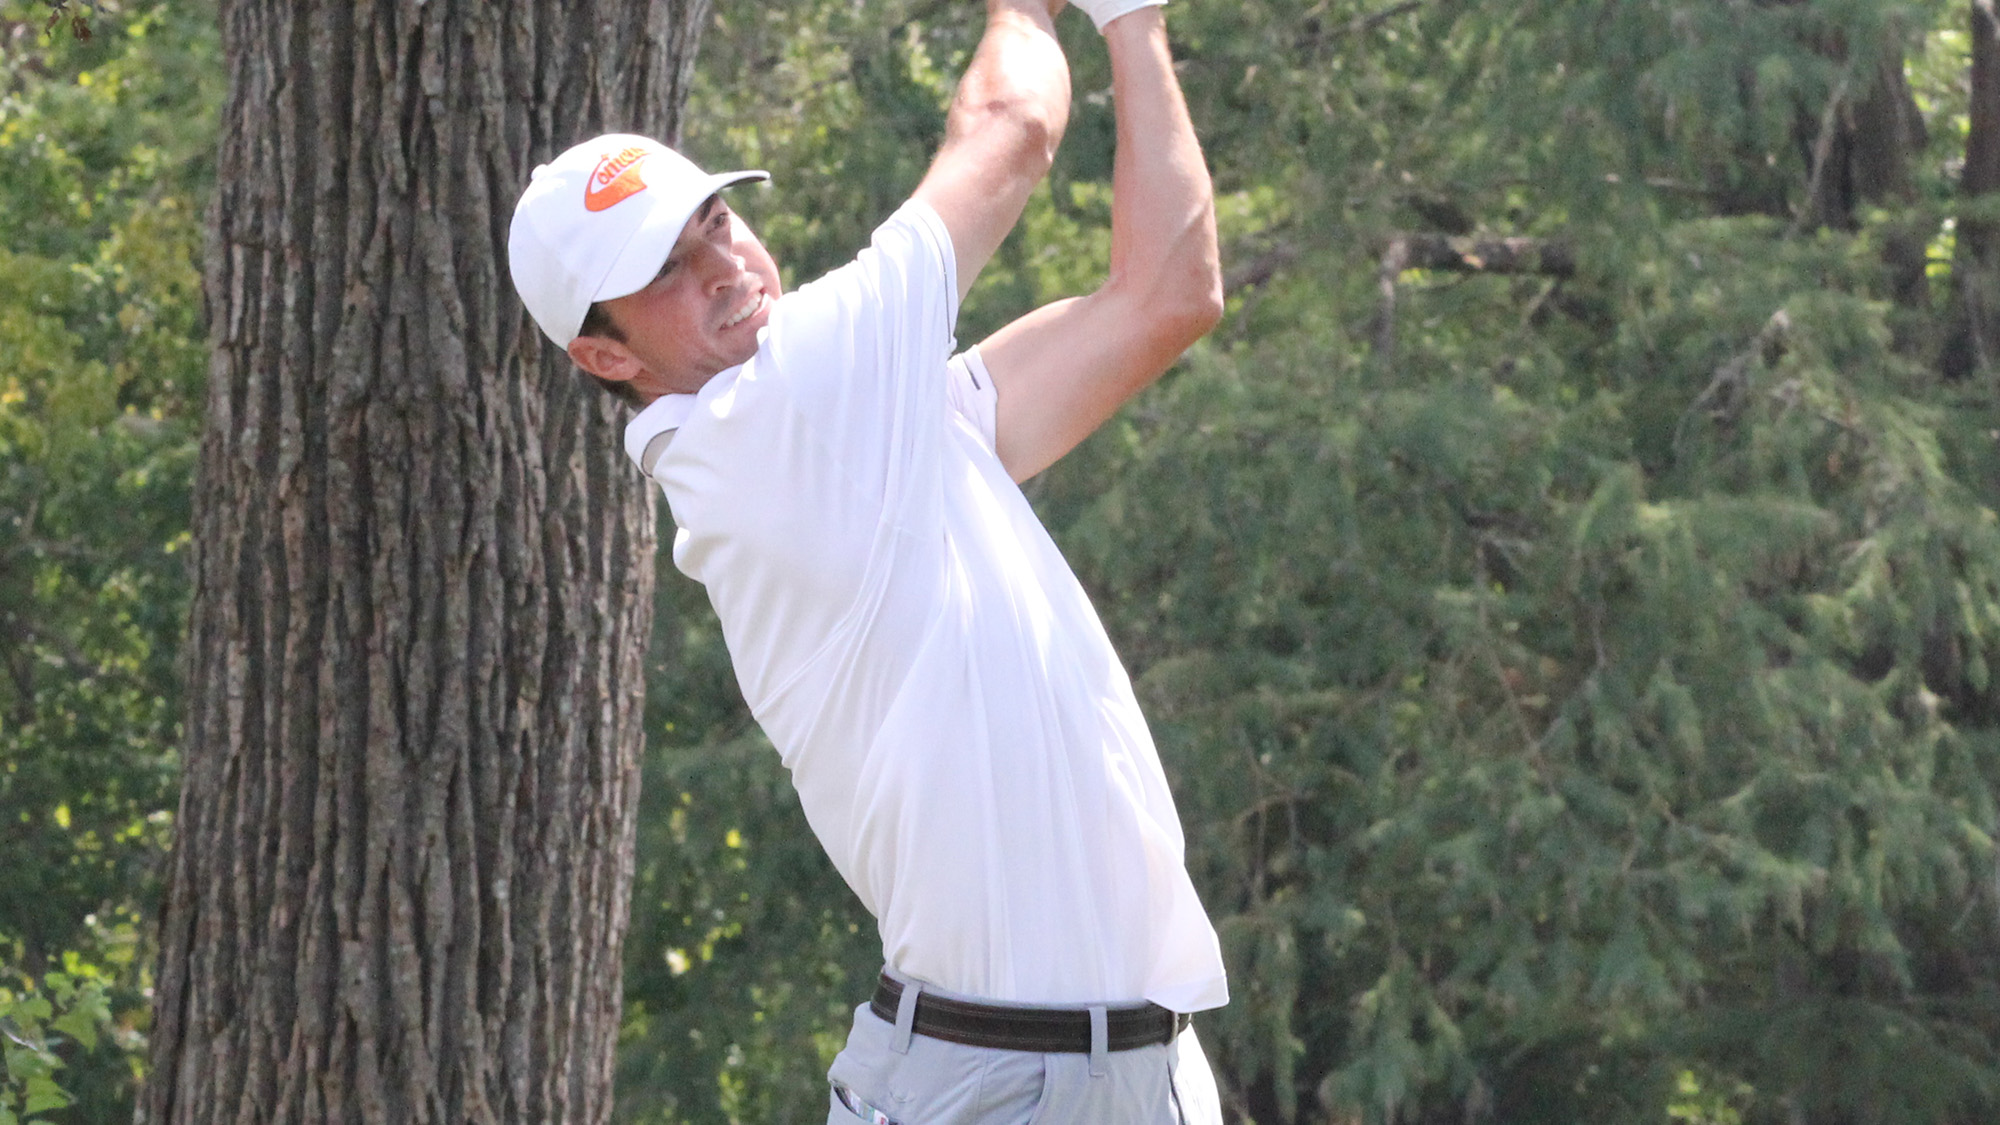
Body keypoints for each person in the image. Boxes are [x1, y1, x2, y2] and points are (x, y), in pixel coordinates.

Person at [507, 0, 1226, 1120]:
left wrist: (1134, 24)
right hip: (1002, 1087)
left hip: (1134, 1068)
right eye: (665, 268)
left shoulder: (867, 432)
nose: (724, 266)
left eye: (712, 222)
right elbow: (1010, 126)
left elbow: (1167, 297)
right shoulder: (784, 415)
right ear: (604, 354)